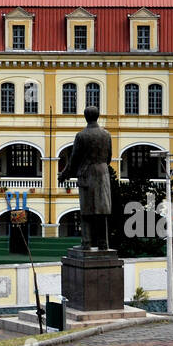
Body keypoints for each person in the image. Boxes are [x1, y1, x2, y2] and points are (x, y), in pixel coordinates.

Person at [56, 106, 114, 250]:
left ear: (85, 117)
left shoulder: (81, 136)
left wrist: (64, 174)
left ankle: (87, 243)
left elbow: (74, 159)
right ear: (98, 116)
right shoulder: (106, 134)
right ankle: (103, 243)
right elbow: (109, 157)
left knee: (86, 211)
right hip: (103, 173)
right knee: (102, 211)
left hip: (87, 173)